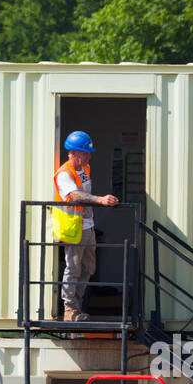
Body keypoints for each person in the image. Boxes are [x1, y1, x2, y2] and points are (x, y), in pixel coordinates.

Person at [54, 130, 118, 321]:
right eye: (85, 152)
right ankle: (69, 309)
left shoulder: (85, 169)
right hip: (72, 227)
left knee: (89, 267)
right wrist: (100, 200)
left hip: (87, 226)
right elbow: (75, 196)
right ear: (73, 153)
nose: (89, 156)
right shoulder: (64, 173)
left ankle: (78, 306)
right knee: (72, 268)